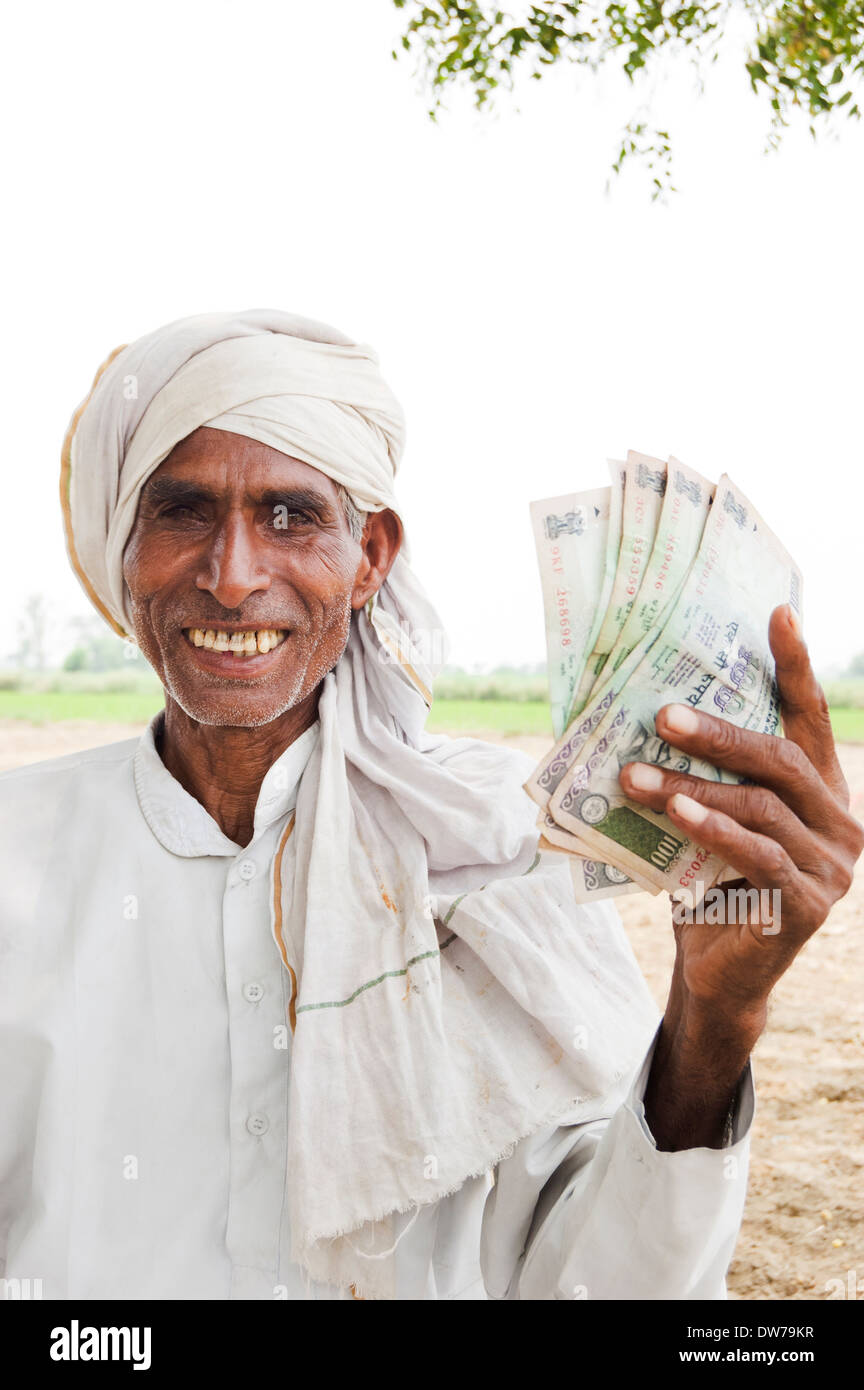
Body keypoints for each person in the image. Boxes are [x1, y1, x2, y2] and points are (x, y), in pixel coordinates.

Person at [0, 309, 859, 1301]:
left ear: (370, 556)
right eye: (184, 511)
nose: (233, 577)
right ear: (123, 545)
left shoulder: (502, 843)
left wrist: (716, 1013)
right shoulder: (18, 852)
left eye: (291, 516)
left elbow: (600, 1286)